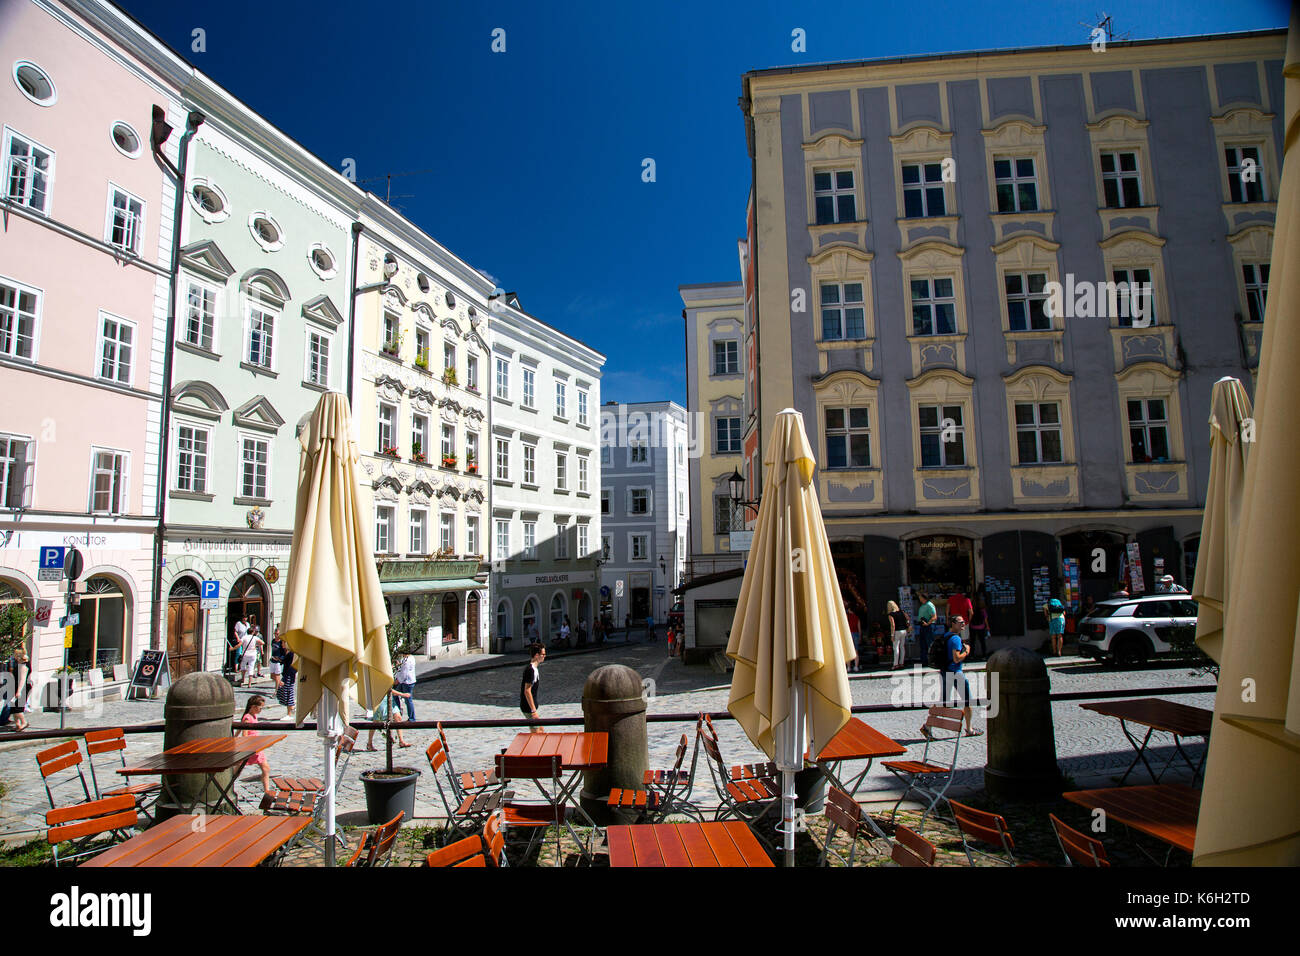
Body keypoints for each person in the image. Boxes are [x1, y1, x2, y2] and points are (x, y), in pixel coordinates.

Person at [939, 616, 980, 736]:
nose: (963, 624)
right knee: (968, 701)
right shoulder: (956, 639)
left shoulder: (946, 636)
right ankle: (969, 729)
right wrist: (966, 651)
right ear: (953, 624)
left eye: (964, 622)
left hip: (945, 671)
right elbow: (956, 658)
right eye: (960, 622)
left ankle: (928, 726)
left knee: (944, 702)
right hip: (956, 673)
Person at [236, 695, 274, 792]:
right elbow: (245, 734)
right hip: (251, 748)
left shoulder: (253, 716)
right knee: (237, 770)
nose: (261, 710)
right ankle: (227, 786)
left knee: (266, 768)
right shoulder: (247, 718)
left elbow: (239, 729)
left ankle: (267, 791)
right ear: (253, 707)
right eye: (260, 707)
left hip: (256, 748)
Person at [520, 642, 546, 732]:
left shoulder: (534, 669)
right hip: (528, 708)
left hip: (531, 707)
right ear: (536, 655)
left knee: (541, 730)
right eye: (543, 654)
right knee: (537, 734)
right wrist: (533, 710)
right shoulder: (530, 670)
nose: (544, 656)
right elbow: (527, 691)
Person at [272, 636, 296, 719]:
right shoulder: (287, 652)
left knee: (288, 693)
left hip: (289, 675)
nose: (281, 644)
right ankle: (291, 709)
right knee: (286, 692)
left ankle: (289, 713)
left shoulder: (291, 653)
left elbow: (291, 666)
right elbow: (285, 662)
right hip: (287, 674)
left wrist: (285, 679)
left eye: (282, 642)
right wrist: (279, 660)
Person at [392, 651, 417, 721]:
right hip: (405, 681)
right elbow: (402, 669)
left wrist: (397, 681)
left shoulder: (408, 660)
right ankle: (397, 712)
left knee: (408, 699)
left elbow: (404, 673)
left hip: (407, 682)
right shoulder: (408, 658)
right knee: (395, 694)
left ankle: (412, 718)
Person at [886, 600, 909, 670]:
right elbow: (908, 618)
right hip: (904, 631)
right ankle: (901, 663)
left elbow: (893, 625)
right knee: (902, 647)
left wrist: (892, 635)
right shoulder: (902, 611)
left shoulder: (891, 615)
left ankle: (895, 664)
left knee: (896, 648)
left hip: (897, 632)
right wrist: (907, 624)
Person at [915, 592, 937, 666]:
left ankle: (932, 660)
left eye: (920, 598)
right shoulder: (923, 605)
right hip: (923, 626)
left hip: (928, 626)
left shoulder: (930, 605)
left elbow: (934, 616)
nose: (919, 599)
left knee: (929, 643)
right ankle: (924, 661)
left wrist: (928, 623)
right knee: (923, 644)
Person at [846, 607, 861, 672]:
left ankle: (848, 667)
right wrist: (860, 636)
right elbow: (859, 628)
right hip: (856, 634)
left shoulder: (847, 617)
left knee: (847, 651)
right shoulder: (857, 617)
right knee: (856, 651)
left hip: (849, 634)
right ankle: (856, 666)